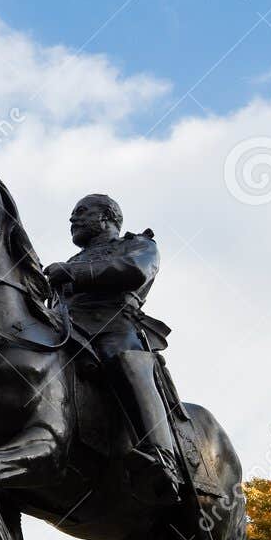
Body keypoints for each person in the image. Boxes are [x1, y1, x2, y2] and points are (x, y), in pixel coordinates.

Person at [45, 193, 181, 497]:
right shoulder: (69, 262)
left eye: (81, 212)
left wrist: (70, 274)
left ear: (107, 216)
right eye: (73, 213)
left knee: (124, 360)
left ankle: (161, 458)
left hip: (112, 325)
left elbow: (134, 272)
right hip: (67, 330)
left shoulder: (139, 245)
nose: (73, 219)